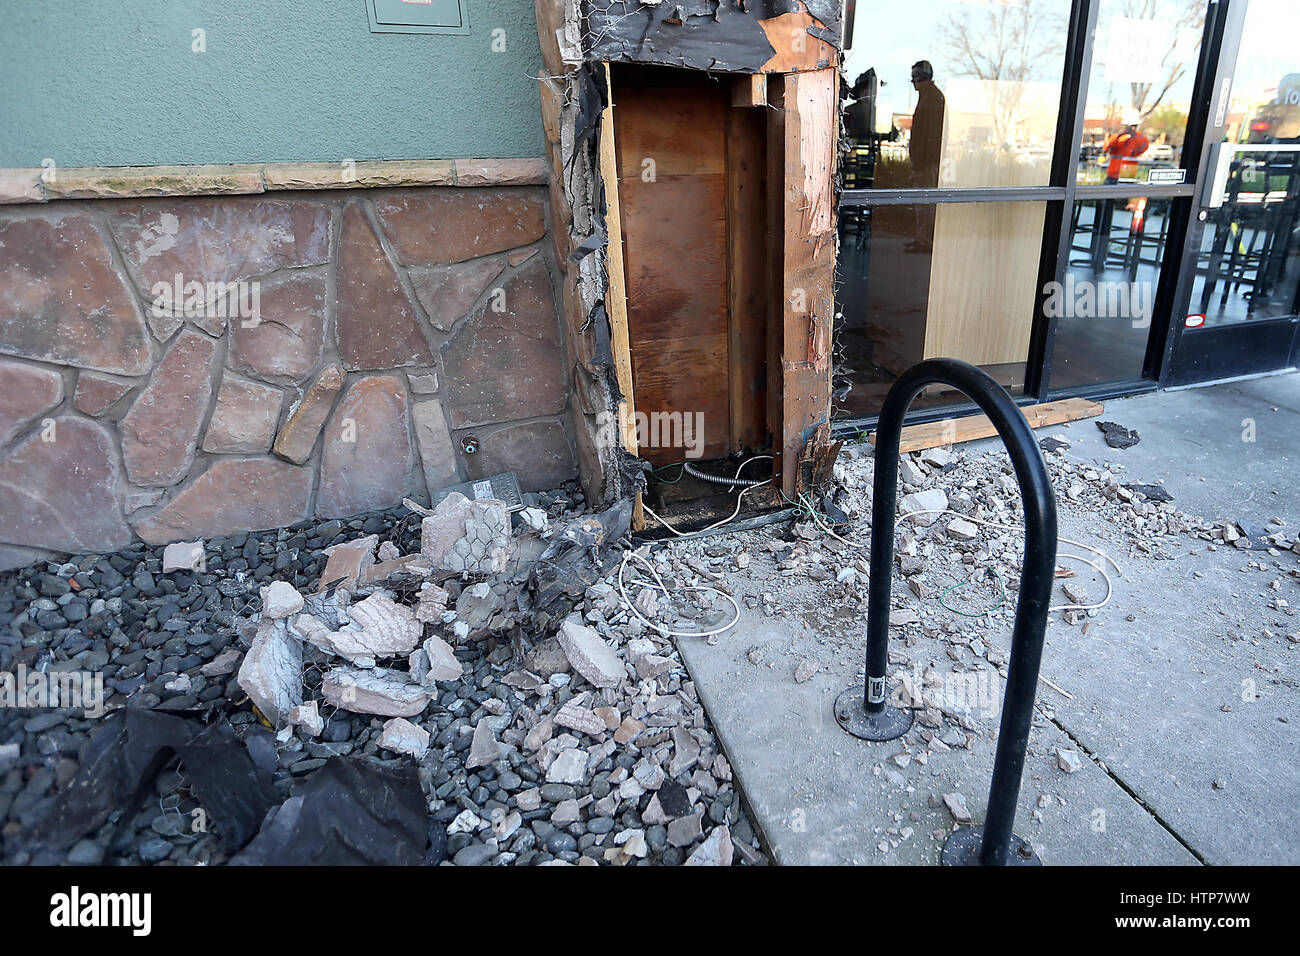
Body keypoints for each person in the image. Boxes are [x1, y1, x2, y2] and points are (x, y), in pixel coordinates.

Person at [906, 60, 945, 253]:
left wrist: (920, 164)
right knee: (922, 202)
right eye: (912, 78)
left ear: (925, 78)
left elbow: (930, 137)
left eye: (916, 77)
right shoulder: (929, 96)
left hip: (927, 163)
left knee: (925, 202)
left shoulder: (932, 99)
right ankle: (921, 238)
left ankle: (924, 240)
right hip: (924, 162)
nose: (914, 82)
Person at [1104, 109, 1149, 184]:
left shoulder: (1139, 138)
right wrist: (1119, 135)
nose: (1132, 128)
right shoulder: (1118, 138)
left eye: (1134, 126)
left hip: (1129, 176)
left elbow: (1143, 147)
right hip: (1113, 175)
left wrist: (1134, 136)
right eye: (1130, 126)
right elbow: (1107, 147)